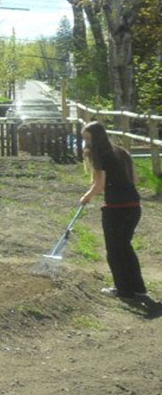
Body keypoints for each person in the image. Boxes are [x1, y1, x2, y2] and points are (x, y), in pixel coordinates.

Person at [79, 121, 147, 299]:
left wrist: (86, 197)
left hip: (116, 209)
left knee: (115, 251)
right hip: (134, 206)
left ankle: (124, 290)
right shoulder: (122, 152)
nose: (86, 142)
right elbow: (135, 179)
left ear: (96, 137)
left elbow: (99, 184)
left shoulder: (100, 155)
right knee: (125, 247)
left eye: (87, 138)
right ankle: (137, 288)